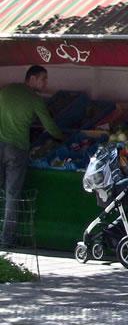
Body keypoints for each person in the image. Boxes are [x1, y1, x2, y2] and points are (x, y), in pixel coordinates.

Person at [0, 66, 63, 247]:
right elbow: (50, 128)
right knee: (12, 195)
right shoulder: (35, 100)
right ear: (32, 78)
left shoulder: (6, 90)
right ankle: (7, 239)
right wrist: (62, 138)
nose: (46, 83)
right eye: (43, 79)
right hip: (17, 149)